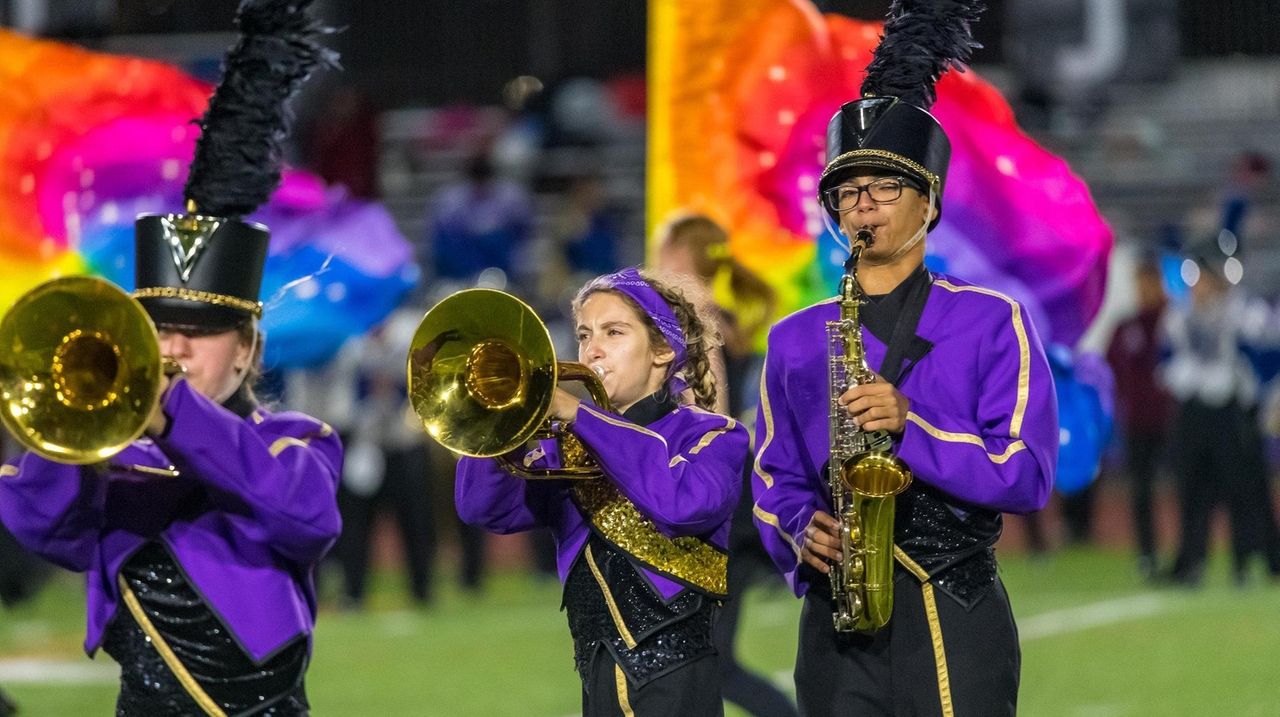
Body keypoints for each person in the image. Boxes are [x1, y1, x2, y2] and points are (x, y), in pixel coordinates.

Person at [0, 2, 339, 713]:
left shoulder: (298, 442)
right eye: (156, 327)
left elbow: (301, 519)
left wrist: (170, 411)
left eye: (200, 329)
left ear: (246, 349)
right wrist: (84, 431)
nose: (174, 346)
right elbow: (41, 527)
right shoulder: (115, 465)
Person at [751, 3, 1058, 714]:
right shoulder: (795, 339)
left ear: (929, 203)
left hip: (953, 607)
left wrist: (909, 424)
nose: (865, 206)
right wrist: (798, 528)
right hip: (836, 622)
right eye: (849, 191)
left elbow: (1027, 473)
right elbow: (775, 477)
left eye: (887, 186)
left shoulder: (991, 319)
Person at [455, 267, 747, 716]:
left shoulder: (713, 436)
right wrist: (496, 426)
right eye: (585, 335)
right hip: (596, 678)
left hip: (678, 682)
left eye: (614, 333)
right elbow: (482, 509)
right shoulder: (565, 444)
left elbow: (683, 504)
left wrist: (578, 414)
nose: (593, 350)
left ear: (663, 349)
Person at [654, 213, 795, 717]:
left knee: (703, 664)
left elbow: (710, 419)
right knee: (702, 661)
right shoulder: (721, 321)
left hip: (715, 509)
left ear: (680, 258)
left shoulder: (695, 325)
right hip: (739, 502)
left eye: (661, 249)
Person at [1161, 247, 1280, 586]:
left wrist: (1260, 394)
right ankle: (1191, 561)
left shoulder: (1244, 312)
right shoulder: (1181, 316)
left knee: (1242, 488)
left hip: (1232, 410)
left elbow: (1266, 358)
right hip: (1195, 409)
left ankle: (1247, 561)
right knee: (1193, 487)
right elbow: (1168, 357)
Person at [1105, 255, 1173, 578]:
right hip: (1137, 422)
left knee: (1189, 488)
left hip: (1172, 420)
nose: (1144, 289)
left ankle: (1186, 552)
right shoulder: (1126, 326)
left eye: (1149, 282)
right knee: (1141, 490)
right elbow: (1109, 370)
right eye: (1140, 283)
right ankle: (1147, 553)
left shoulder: (1172, 322)